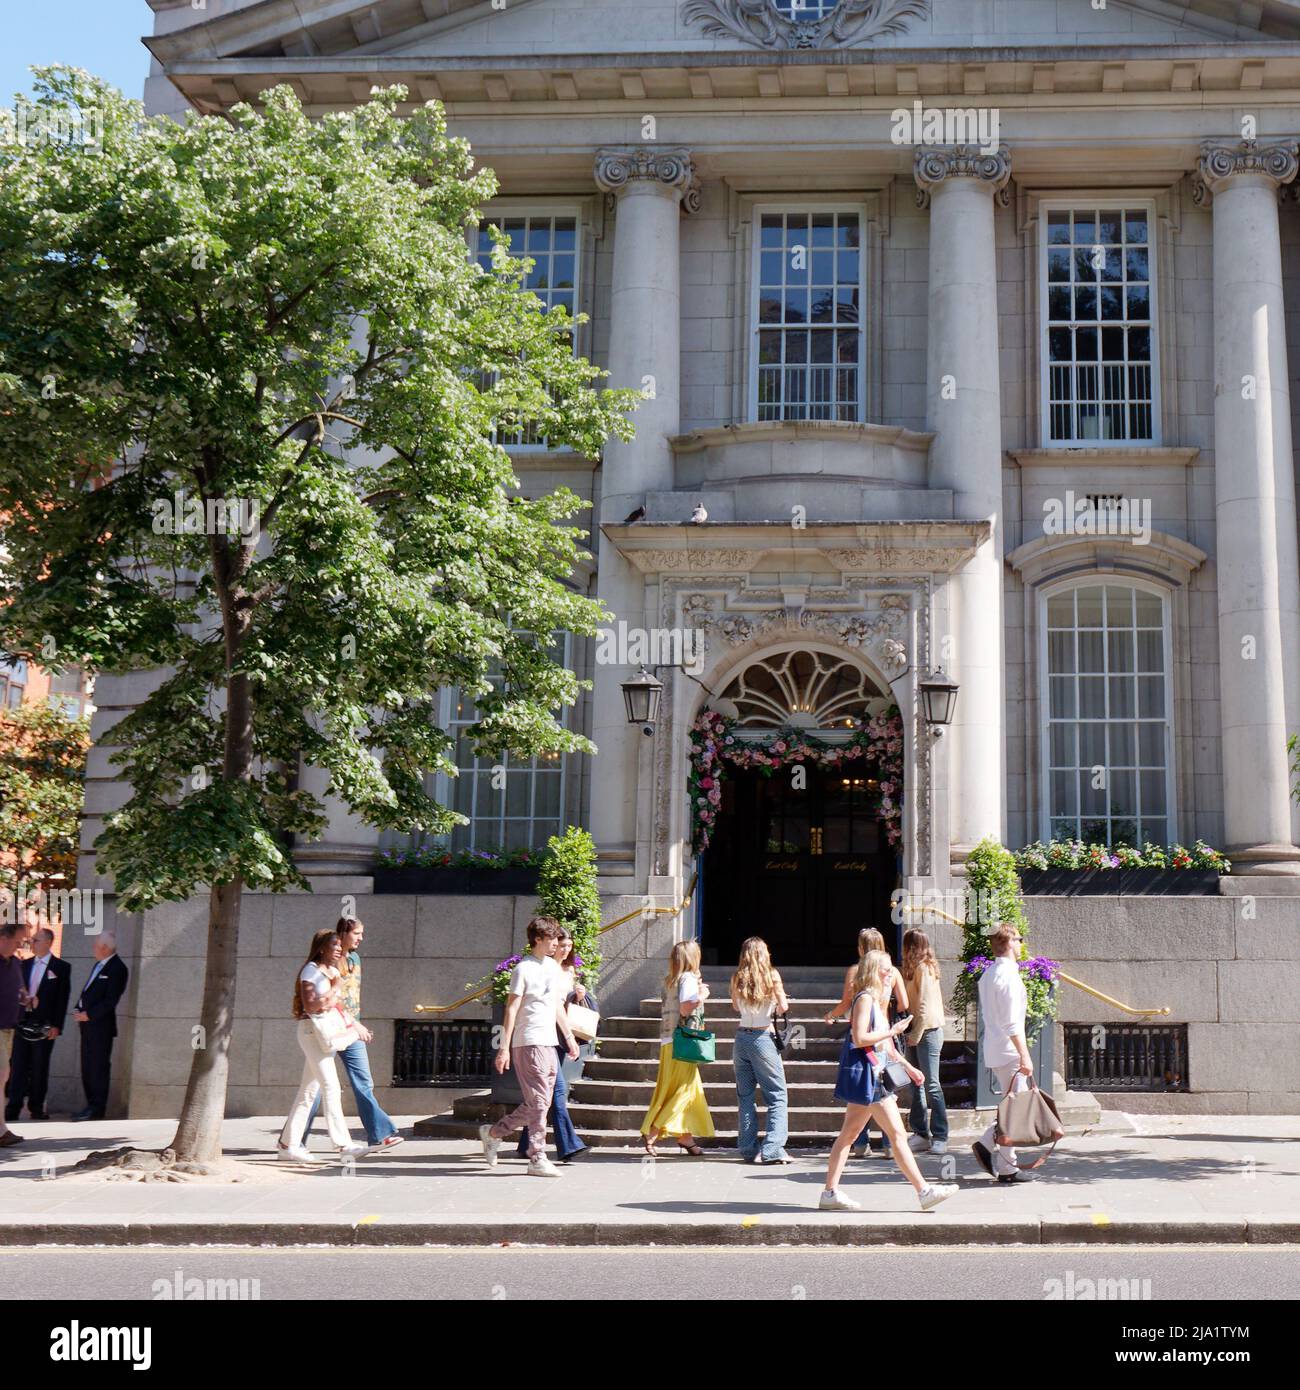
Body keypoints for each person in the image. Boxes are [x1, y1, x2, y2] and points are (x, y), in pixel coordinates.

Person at [820, 949, 958, 1213]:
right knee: (896, 1135)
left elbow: (885, 1044)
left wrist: (909, 1067)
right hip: (871, 1079)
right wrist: (893, 1030)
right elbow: (860, 1038)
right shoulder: (864, 999)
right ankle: (924, 1191)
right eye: (885, 969)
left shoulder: (875, 1001)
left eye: (890, 969)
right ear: (873, 970)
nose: (890, 974)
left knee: (848, 1136)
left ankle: (830, 1192)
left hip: (875, 1075)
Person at [287, 917, 403, 1154]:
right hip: (322, 1029)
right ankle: (326, 1144)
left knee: (348, 1083)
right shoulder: (319, 966)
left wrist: (353, 1023)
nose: (360, 938)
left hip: (344, 1028)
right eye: (357, 933)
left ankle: (378, 1134)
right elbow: (318, 1003)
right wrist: (336, 996)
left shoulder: (352, 960)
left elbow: (345, 998)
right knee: (322, 1088)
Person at [480, 916, 580, 1178]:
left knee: (540, 1103)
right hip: (528, 1041)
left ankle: (494, 1133)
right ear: (538, 939)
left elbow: (557, 1005)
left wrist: (568, 1037)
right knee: (538, 1102)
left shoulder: (552, 968)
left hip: (549, 1041)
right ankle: (537, 1156)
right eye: (551, 939)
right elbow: (512, 1008)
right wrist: (504, 1048)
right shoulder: (523, 969)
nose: (556, 944)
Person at [279, 929, 369, 1163]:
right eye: (334, 945)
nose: (340, 948)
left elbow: (336, 1007)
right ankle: (343, 1144)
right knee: (330, 1087)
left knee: (308, 1092)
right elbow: (310, 1006)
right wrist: (334, 989)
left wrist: (354, 1025)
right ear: (321, 948)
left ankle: (287, 1145)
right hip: (312, 1032)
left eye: (340, 945)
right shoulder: (311, 970)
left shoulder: (332, 971)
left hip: (321, 1033)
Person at [825, 927, 908, 1157]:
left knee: (862, 1091)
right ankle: (890, 1146)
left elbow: (846, 1003)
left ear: (861, 947)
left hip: (868, 1036)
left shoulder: (856, 971)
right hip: (885, 1033)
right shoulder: (893, 973)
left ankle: (861, 1144)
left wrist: (831, 1016)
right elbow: (904, 1003)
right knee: (886, 1087)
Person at [514, 927, 592, 1163]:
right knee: (555, 1091)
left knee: (547, 1093)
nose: (563, 949)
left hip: (554, 1035)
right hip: (541, 1038)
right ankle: (567, 1145)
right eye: (560, 944)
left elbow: (560, 1005)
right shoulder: (540, 968)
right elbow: (515, 1006)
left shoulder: (563, 970)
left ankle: (524, 1143)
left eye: (568, 946)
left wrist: (578, 998)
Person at [972, 921, 1035, 1184]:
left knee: (1012, 1107)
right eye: (1018, 939)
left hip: (997, 1047)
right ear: (1009, 942)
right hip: (1009, 1050)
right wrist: (1025, 1054)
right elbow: (1011, 1022)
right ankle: (993, 1149)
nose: (1021, 944)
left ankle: (1005, 1162)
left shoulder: (989, 974)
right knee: (1015, 1108)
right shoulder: (1007, 975)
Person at [640, 939, 715, 1156]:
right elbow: (685, 1008)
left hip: (669, 1040)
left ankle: (685, 1138)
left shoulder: (670, 980)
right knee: (684, 1090)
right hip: (683, 1041)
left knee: (679, 1089)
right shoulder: (688, 979)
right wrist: (702, 995)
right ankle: (654, 1130)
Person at [729, 936, 791, 1164]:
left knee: (745, 1096)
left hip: (741, 1037)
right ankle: (773, 1148)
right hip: (763, 1037)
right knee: (776, 1095)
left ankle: (747, 1148)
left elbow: (736, 1006)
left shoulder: (737, 977)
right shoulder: (772, 976)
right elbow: (783, 1007)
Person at [5, 927, 70, 1123]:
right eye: (32, 940)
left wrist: (56, 1025)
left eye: (36, 940)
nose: (32, 943)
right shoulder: (23, 964)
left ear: (48, 942)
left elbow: (62, 998)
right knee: (18, 1065)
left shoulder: (60, 967)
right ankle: (13, 1107)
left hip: (45, 1024)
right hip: (22, 1021)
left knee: (40, 1066)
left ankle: (36, 1107)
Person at [900, 927, 949, 1156]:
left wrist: (915, 1034)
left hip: (927, 1031)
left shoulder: (925, 968)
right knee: (915, 1083)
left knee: (931, 1084)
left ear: (910, 946)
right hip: (916, 1030)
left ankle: (940, 1136)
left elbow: (924, 1007)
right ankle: (921, 1134)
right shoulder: (912, 969)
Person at [72, 931, 129, 1121]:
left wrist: (88, 1014)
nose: (93, 949)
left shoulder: (117, 968)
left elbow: (110, 1000)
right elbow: (89, 992)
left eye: (95, 945)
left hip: (101, 1027)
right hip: (87, 1026)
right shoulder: (99, 965)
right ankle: (90, 1104)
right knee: (87, 1066)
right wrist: (79, 1008)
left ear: (105, 948)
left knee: (98, 1067)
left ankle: (97, 1108)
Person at [0, 921, 28, 1149]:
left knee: (2, 1078)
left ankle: (1, 1130)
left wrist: (25, 997)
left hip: (9, 1027)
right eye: (17, 942)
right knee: (2, 1075)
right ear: (3, 939)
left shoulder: (15, 963)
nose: (19, 947)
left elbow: (19, 989)